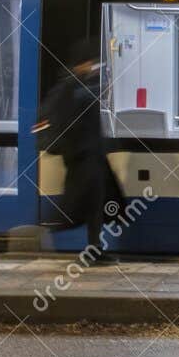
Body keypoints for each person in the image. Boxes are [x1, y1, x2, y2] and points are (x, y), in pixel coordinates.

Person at [32, 38, 125, 260]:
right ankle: (55, 232)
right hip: (82, 158)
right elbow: (67, 122)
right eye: (88, 63)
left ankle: (94, 249)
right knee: (84, 205)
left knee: (95, 205)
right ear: (80, 64)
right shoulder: (70, 88)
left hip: (90, 156)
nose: (92, 67)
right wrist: (78, 148)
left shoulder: (81, 85)